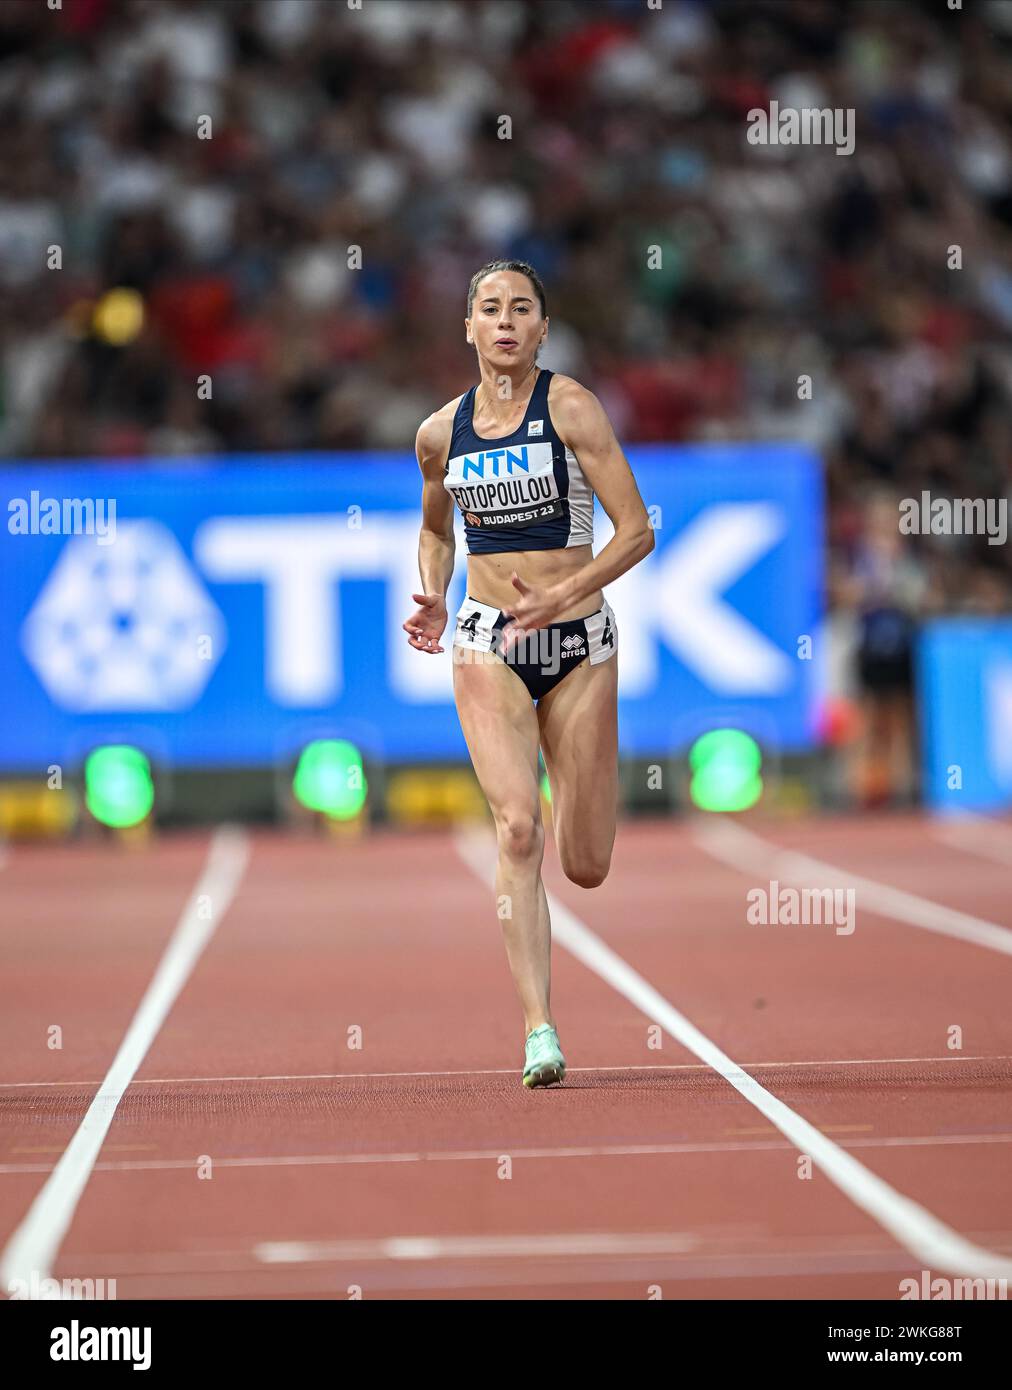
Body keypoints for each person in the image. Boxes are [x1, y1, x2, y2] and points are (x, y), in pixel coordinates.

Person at [403, 259, 654, 1086]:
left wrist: (566, 593)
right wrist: (435, 595)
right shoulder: (440, 434)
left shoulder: (571, 407)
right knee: (517, 830)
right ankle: (539, 1031)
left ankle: (567, 781)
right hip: (488, 643)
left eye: (521, 309)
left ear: (543, 328)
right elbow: (437, 531)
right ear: (467, 327)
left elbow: (636, 530)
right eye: (489, 308)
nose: (505, 321)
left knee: (585, 863)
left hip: (579, 644)